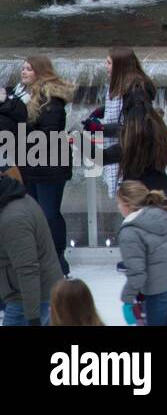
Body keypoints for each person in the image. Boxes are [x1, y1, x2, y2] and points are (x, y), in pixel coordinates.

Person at [13, 56, 75, 276]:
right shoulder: (23, 95)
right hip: (31, 164)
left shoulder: (51, 98)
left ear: (40, 71)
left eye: (29, 69)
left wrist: (20, 134)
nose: (24, 72)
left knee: (49, 214)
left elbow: (49, 133)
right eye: (23, 68)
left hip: (50, 165)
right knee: (36, 214)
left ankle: (59, 263)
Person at [82, 48, 157, 198]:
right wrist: (103, 110)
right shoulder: (126, 87)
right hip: (127, 152)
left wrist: (101, 128)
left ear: (120, 66)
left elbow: (134, 127)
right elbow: (126, 110)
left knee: (132, 203)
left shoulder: (136, 91)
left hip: (131, 156)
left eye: (109, 63)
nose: (106, 66)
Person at [116, 180, 167, 327]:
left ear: (127, 204)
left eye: (118, 202)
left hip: (157, 292)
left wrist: (127, 299)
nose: (118, 207)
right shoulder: (163, 216)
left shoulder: (130, 232)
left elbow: (137, 272)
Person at [0, 173, 62, 325]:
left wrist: (32, 318)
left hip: (29, 300)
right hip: (31, 296)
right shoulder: (13, 198)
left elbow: (28, 270)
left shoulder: (13, 219)